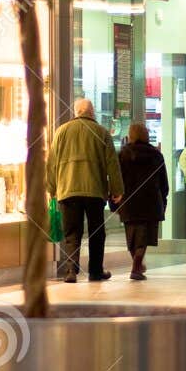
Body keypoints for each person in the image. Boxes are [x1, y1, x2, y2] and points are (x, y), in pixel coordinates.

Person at [46, 97, 123, 283]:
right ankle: (95, 271)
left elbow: (51, 163)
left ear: (75, 112)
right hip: (94, 191)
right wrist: (117, 189)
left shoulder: (61, 132)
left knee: (72, 232)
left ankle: (71, 271)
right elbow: (112, 164)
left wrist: (51, 188)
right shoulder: (102, 133)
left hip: (68, 190)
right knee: (97, 232)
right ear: (92, 112)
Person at [118, 122, 169, 281]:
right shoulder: (155, 154)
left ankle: (137, 263)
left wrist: (114, 195)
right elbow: (163, 182)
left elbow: (116, 177)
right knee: (144, 237)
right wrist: (163, 199)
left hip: (128, 201)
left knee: (132, 236)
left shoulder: (122, 154)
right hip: (150, 201)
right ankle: (136, 266)